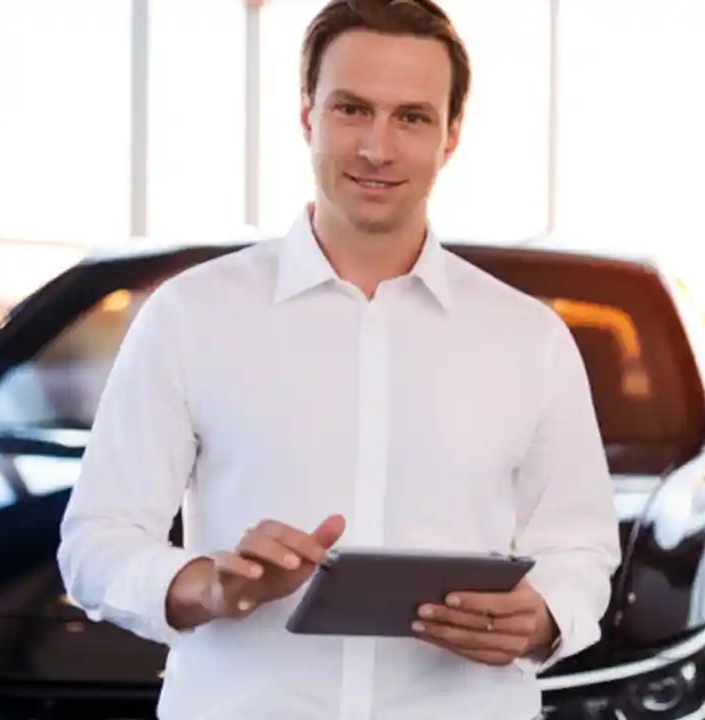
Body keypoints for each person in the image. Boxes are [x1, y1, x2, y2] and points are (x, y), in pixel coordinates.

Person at [57, 0, 620, 718]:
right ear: (307, 117)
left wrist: (544, 616)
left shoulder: (529, 339)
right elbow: (96, 541)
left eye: (411, 117)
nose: (377, 148)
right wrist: (207, 585)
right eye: (351, 110)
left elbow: (581, 546)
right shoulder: (191, 316)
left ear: (450, 136)